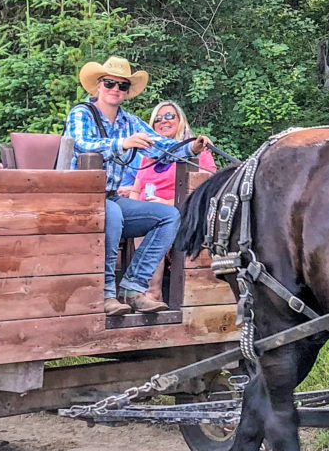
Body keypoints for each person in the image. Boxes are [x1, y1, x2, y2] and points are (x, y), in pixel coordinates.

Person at [65, 56, 205, 316]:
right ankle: (106, 293)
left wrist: (191, 147)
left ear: (127, 92)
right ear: (98, 86)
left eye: (122, 86)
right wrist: (123, 144)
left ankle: (133, 287)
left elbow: (161, 144)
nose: (115, 90)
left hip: (110, 199)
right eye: (109, 84)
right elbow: (82, 144)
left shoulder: (130, 121)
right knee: (114, 213)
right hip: (79, 199)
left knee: (169, 216)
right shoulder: (81, 113)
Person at [128, 99, 216, 204]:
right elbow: (135, 191)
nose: (163, 120)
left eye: (169, 116)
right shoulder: (149, 155)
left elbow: (205, 192)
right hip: (143, 213)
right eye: (157, 118)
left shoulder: (199, 150)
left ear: (180, 120)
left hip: (179, 214)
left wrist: (166, 203)